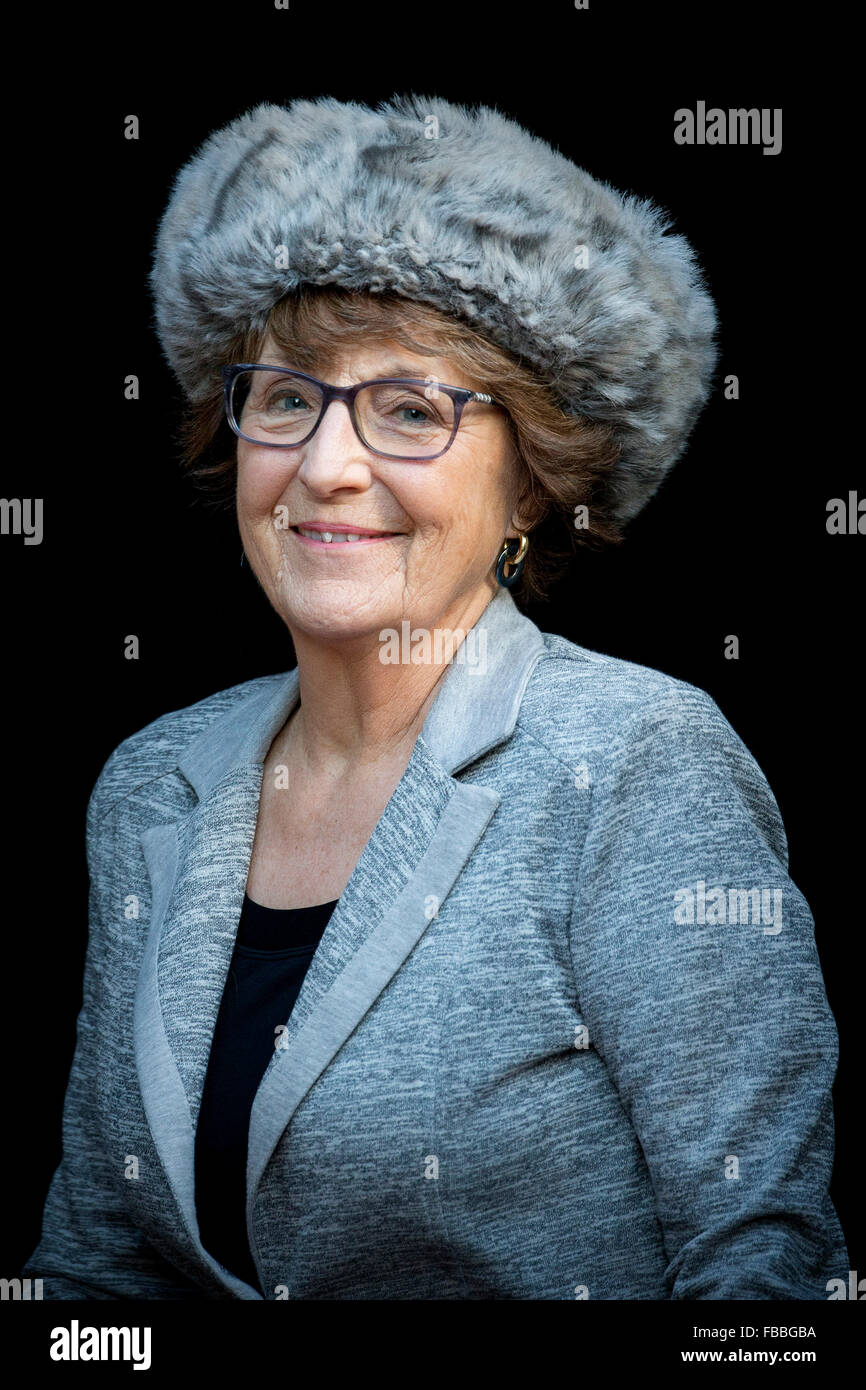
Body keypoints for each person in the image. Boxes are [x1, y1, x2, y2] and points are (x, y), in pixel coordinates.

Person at [22, 94, 847, 1299]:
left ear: (529, 483)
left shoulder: (631, 757)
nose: (324, 465)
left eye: (411, 408)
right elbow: (99, 1266)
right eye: (287, 397)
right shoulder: (153, 777)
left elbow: (762, 1273)